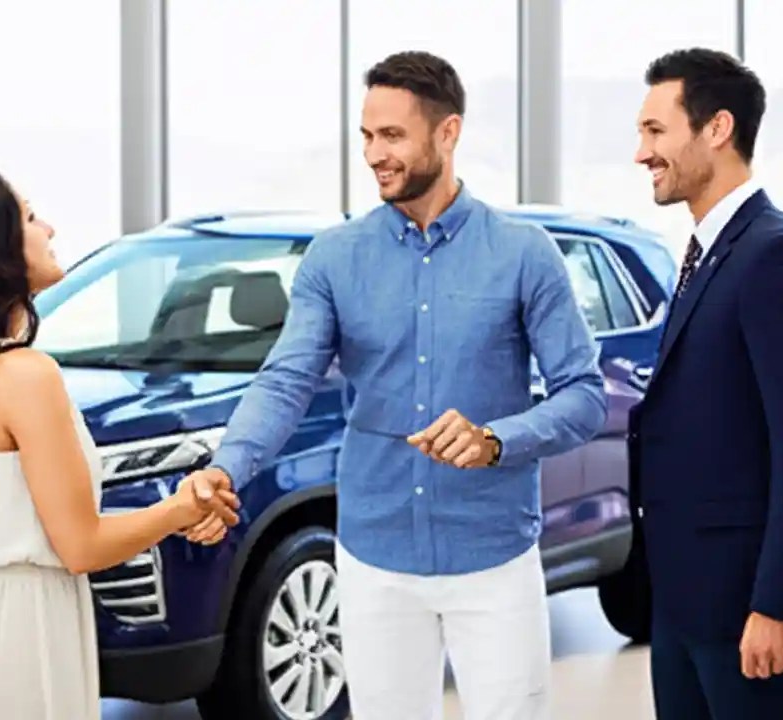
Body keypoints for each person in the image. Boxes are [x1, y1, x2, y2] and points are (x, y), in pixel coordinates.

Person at [179, 51, 606, 719]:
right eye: (368, 136)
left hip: (493, 558)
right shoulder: (335, 257)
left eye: (393, 136)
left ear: (448, 132)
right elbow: (286, 380)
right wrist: (227, 468)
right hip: (374, 557)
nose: (376, 154)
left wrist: (497, 439)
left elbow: (583, 394)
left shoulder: (525, 254)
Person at [0, 171, 241, 720]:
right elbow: (81, 545)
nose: (50, 229)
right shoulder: (24, 376)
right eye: (31, 218)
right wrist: (181, 508)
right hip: (22, 633)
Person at [629, 48, 783, 719]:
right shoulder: (708, 254)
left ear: (717, 129)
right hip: (686, 604)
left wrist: (779, 604)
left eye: (655, 131)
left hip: (750, 613)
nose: (642, 153)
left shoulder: (775, 255)